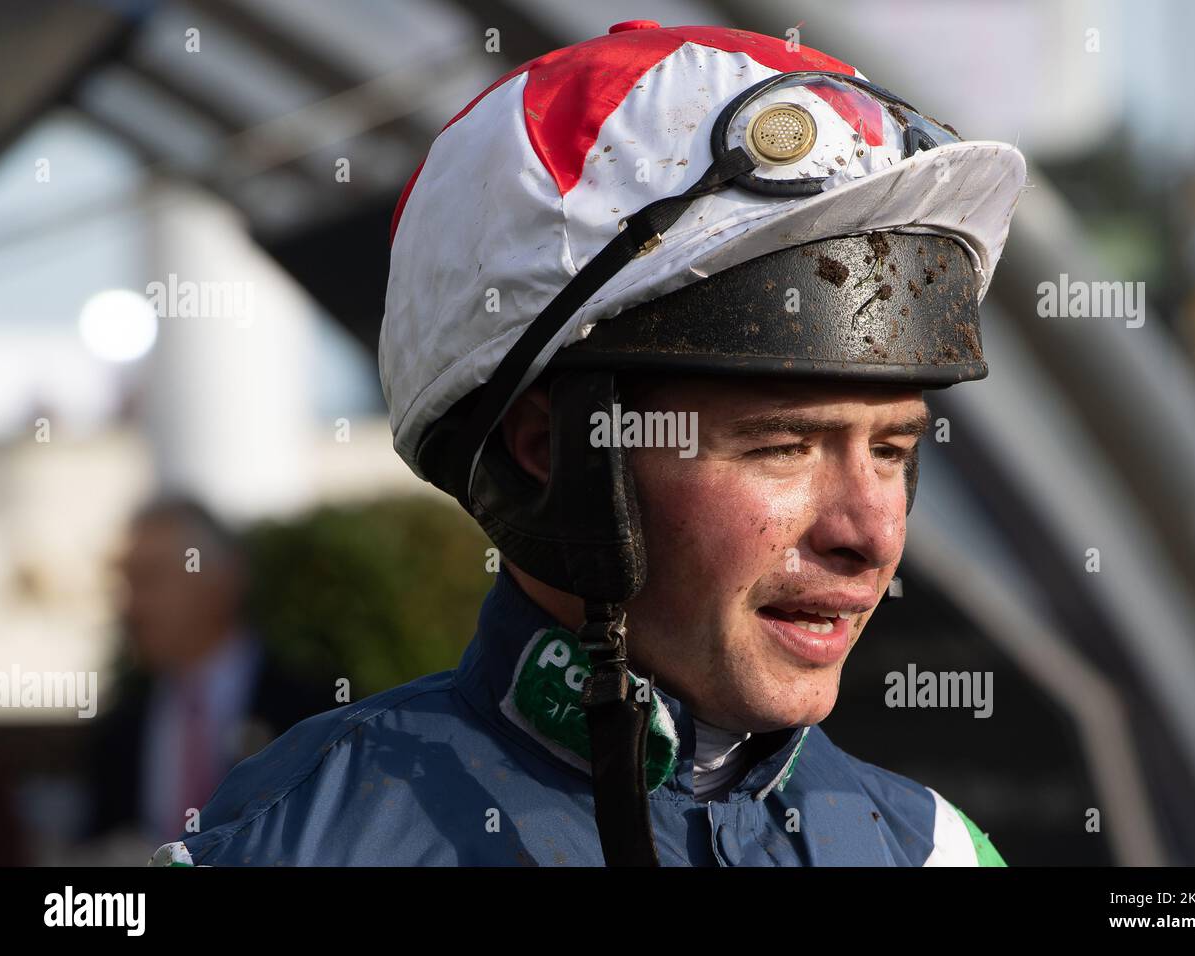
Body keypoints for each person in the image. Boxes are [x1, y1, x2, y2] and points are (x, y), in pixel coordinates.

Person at [151, 21, 1024, 867]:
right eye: (784, 447)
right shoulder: (292, 847)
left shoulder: (938, 852)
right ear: (550, 452)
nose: (870, 536)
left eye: (892, 450)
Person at [84, 495, 332, 847]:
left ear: (224, 579)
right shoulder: (120, 728)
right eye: (126, 581)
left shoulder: (313, 712)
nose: (131, 605)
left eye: (149, 578)